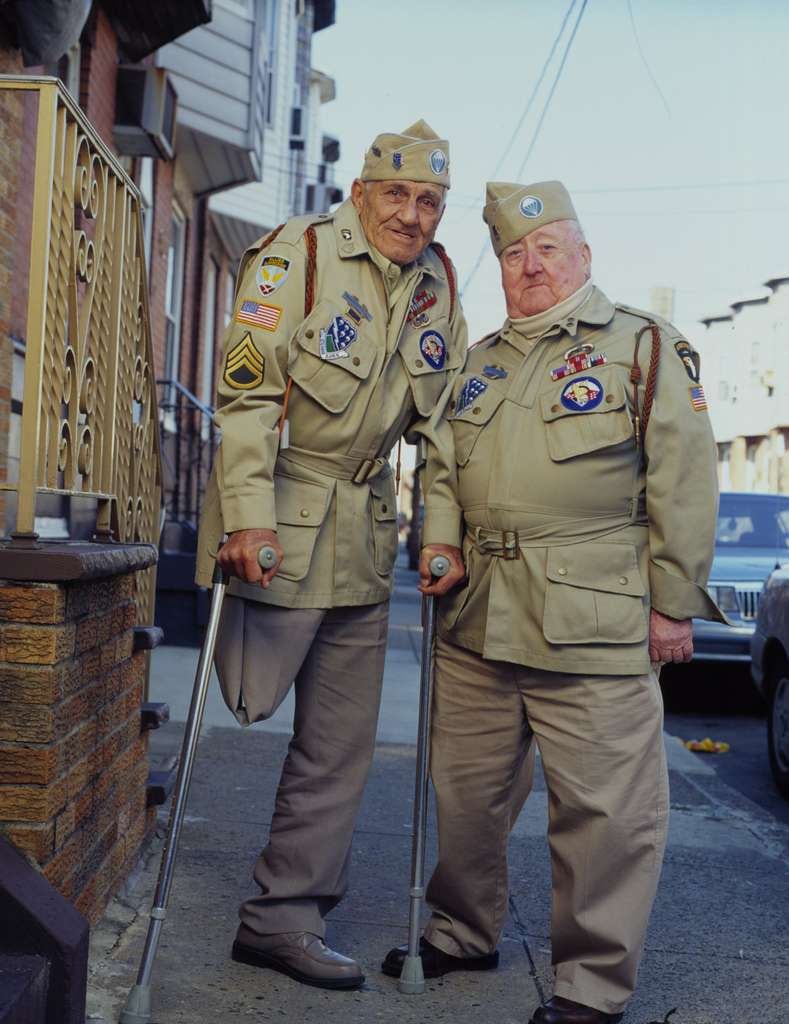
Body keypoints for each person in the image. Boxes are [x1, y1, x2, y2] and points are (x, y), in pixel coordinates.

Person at [383, 180, 725, 1023]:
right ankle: (463, 933)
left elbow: (683, 482)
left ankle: (590, 986)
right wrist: (437, 538)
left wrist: (673, 604)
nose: (528, 265)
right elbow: (440, 467)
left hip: (594, 616)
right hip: (477, 612)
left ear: (582, 256)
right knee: (465, 797)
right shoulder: (481, 360)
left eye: (545, 249)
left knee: (605, 812)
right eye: (511, 253)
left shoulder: (643, 348)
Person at [195, 120, 467, 991]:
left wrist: (440, 535)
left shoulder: (439, 283)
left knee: (338, 747)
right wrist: (246, 516)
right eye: (397, 194)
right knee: (242, 701)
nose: (412, 215)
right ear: (362, 192)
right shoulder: (296, 253)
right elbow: (245, 395)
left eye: (429, 201)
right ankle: (276, 913)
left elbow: (446, 432)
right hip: (280, 519)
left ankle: (282, 921)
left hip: (365, 537)